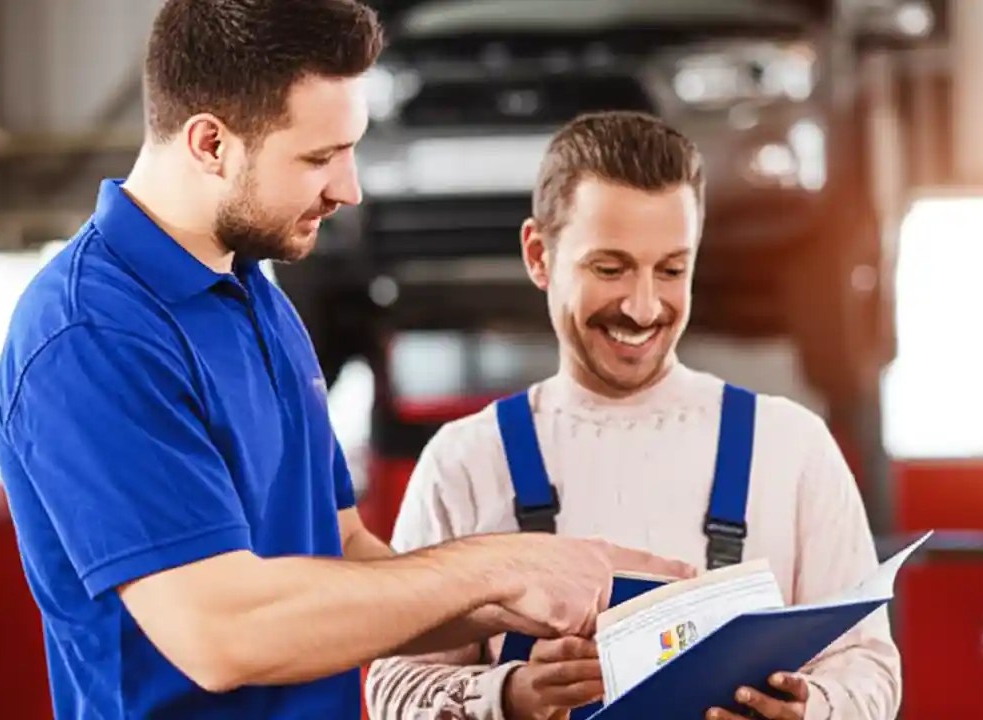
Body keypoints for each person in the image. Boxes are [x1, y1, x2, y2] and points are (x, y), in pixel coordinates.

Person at [0, 2, 694, 718]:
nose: (348, 189)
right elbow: (221, 633)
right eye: (320, 157)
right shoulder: (91, 335)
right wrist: (500, 566)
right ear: (210, 144)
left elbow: (345, 550)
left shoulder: (257, 301)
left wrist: (549, 601)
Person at [363, 111, 903, 720]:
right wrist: (510, 697)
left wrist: (811, 709)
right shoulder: (465, 461)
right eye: (610, 268)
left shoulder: (792, 447)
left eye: (671, 270)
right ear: (539, 255)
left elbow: (869, 668)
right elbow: (394, 686)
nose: (643, 306)